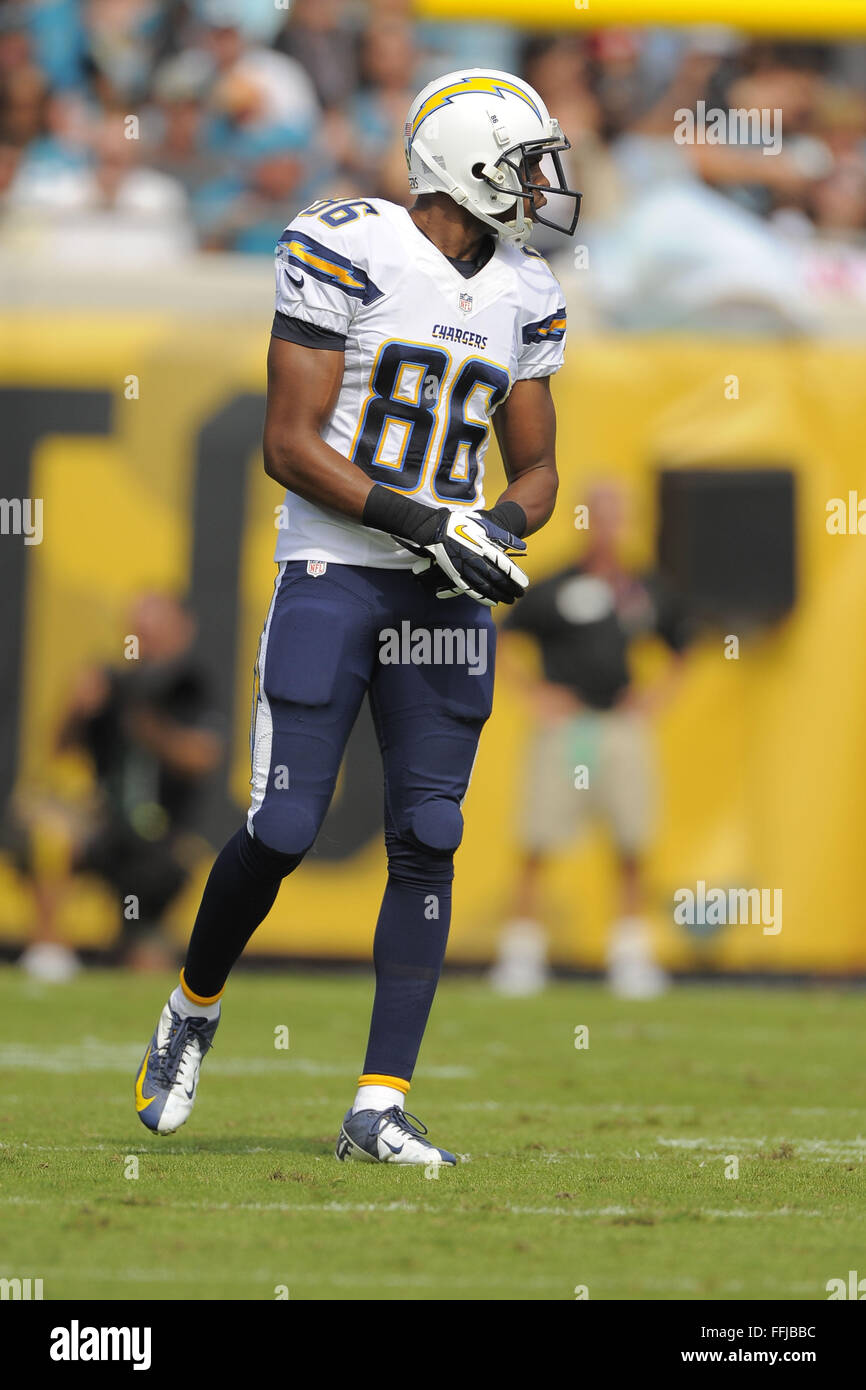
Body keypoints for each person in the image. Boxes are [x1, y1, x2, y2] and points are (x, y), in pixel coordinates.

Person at [134, 67, 581, 1165]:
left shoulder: (525, 290)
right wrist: (432, 521)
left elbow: (535, 469)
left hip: (438, 593)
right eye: (524, 163)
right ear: (468, 162)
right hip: (334, 570)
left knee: (428, 835)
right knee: (282, 827)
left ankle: (377, 1105)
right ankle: (191, 1007)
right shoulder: (352, 242)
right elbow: (290, 446)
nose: (542, 187)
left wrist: (494, 531)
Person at [490, 481, 690, 999]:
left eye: (618, 516)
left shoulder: (642, 589)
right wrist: (537, 696)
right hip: (567, 727)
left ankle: (630, 954)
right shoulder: (556, 585)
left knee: (631, 840)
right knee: (538, 837)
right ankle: (522, 953)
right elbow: (503, 637)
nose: (609, 527)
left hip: (620, 726)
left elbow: (681, 644)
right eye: (600, 516)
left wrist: (650, 701)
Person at [16, 593, 223, 977]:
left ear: (181, 631)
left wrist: (150, 731)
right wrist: (75, 706)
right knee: (44, 826)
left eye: (155, 631)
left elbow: (202, 756)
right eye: (140, 632)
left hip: (161, 840)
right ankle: (48, 950)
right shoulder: (110, 681)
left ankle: (139, 965)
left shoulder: (189, 687)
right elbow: (61, 750)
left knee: (145, 953)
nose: (146, 641)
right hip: (106, 826)